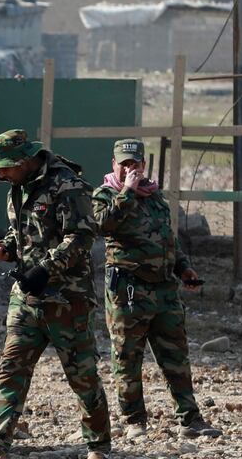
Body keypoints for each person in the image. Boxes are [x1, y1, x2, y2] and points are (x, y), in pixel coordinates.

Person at [0, 129, 111, 459]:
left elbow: (82, 236)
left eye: (5, 167)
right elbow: (22, 232)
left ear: (25, 161)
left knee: (82, 376)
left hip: (67, 299)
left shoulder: (68, 185)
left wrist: (45, 268)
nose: (0, 174)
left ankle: (98, 447)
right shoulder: (18, 187)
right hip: (26, 299)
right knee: (11, 370)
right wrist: (7, 249)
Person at [92, 139, 220, 439]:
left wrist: (183, 267)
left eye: (134, 163)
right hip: (129, 290)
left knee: (176, 354)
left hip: (164, 290)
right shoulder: (106, 194)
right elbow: (103, 225)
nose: (129, 168)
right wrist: (127, 192)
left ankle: (190, 418)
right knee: (127, 356)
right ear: (114, 164)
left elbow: (167, 238)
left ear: (143, 165)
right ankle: (134, 419)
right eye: (123, 163)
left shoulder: (154, 196)